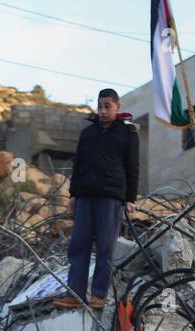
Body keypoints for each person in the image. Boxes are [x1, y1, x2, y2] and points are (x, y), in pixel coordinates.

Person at [52, 88, 139, 311]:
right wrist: (73, 194)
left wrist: (130, 198)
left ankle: (99, 295)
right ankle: (75, 294)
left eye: (107, 106)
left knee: (105, 247)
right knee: (78, 245)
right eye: (100, 106)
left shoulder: (127, 133)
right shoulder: (88, 133)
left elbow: (133, 167)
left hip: (110, 196)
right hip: (85, 196)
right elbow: (78, 164)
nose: (102, 111)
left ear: (117, 107)